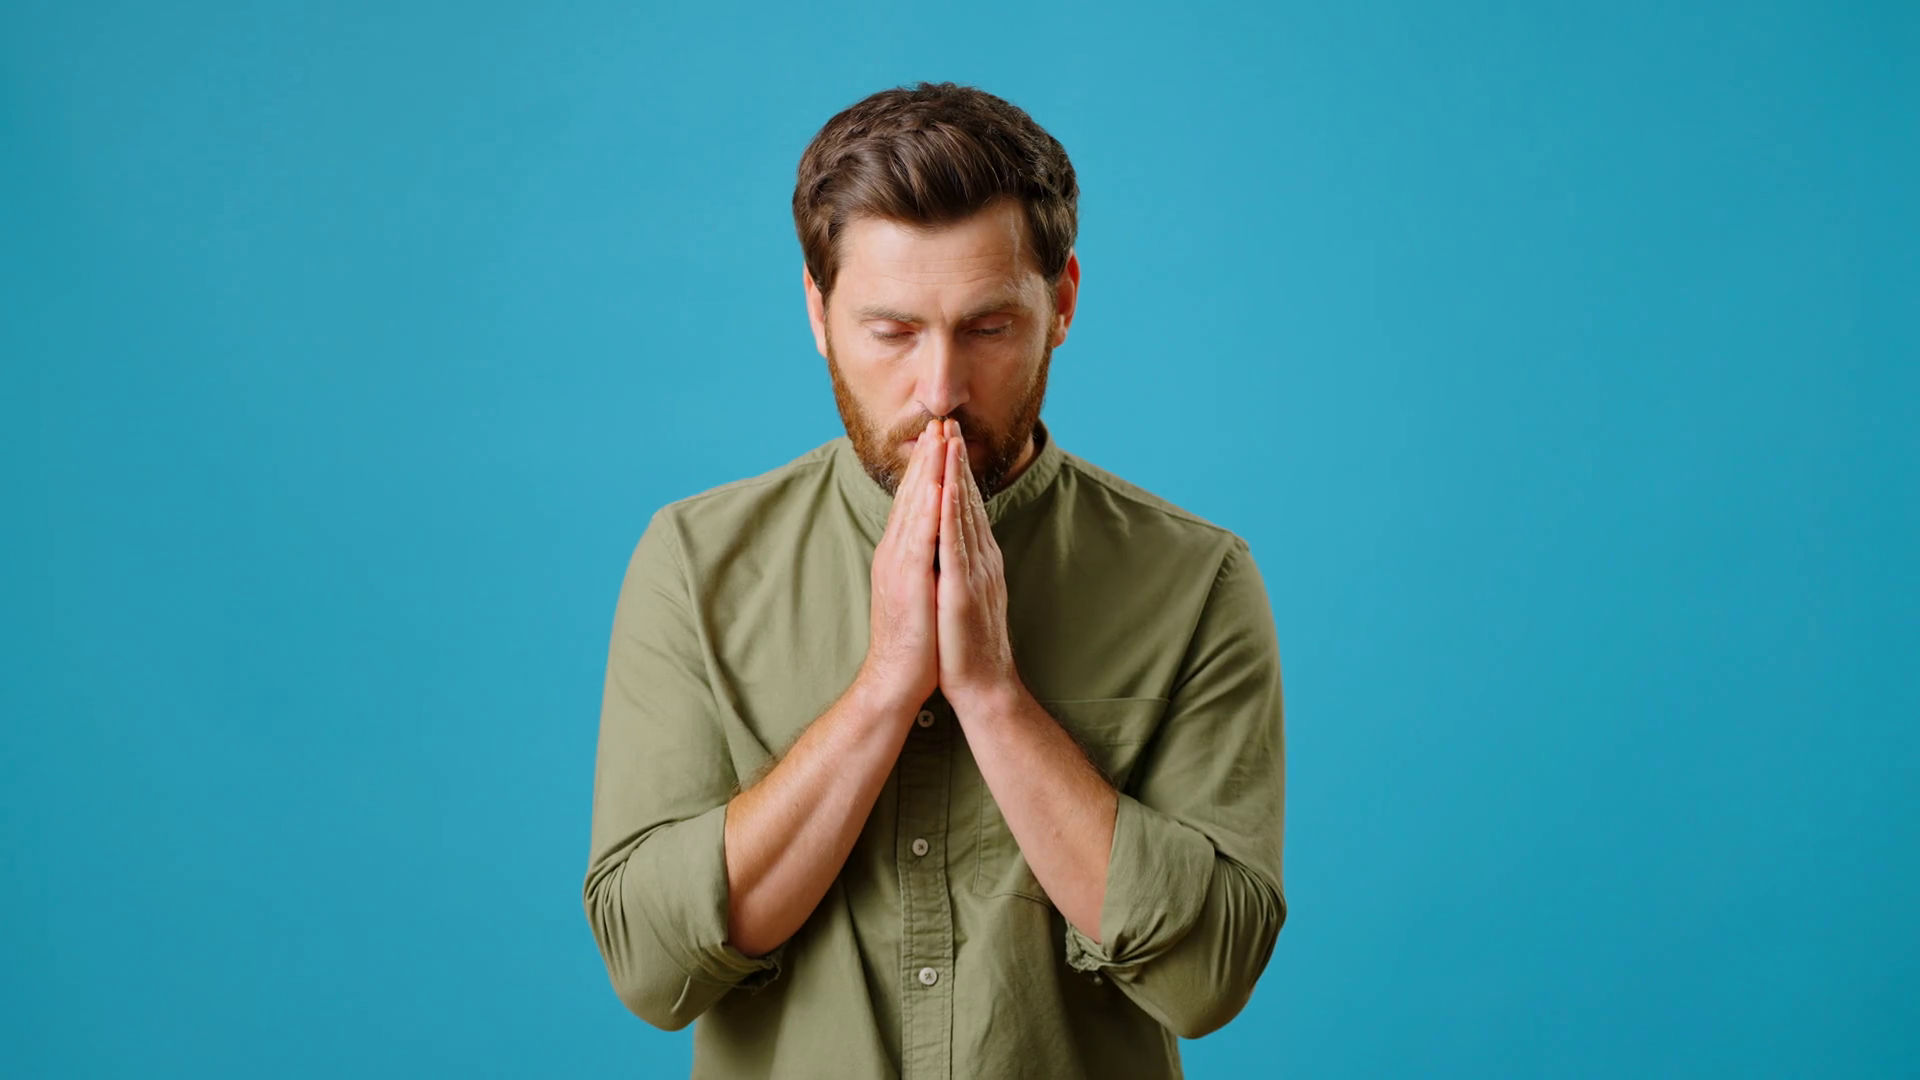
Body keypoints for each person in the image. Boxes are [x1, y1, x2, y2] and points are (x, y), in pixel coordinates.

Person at [582, 80, 1287, 1079]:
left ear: (1063, 306)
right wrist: (884, 690)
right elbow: (653, 968)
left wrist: (994, 695)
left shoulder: (1197, 579)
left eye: (989, 327)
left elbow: (1207, 977)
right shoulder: (694, 565)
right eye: (893, 331)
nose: (941, 388)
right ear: (819, 314)